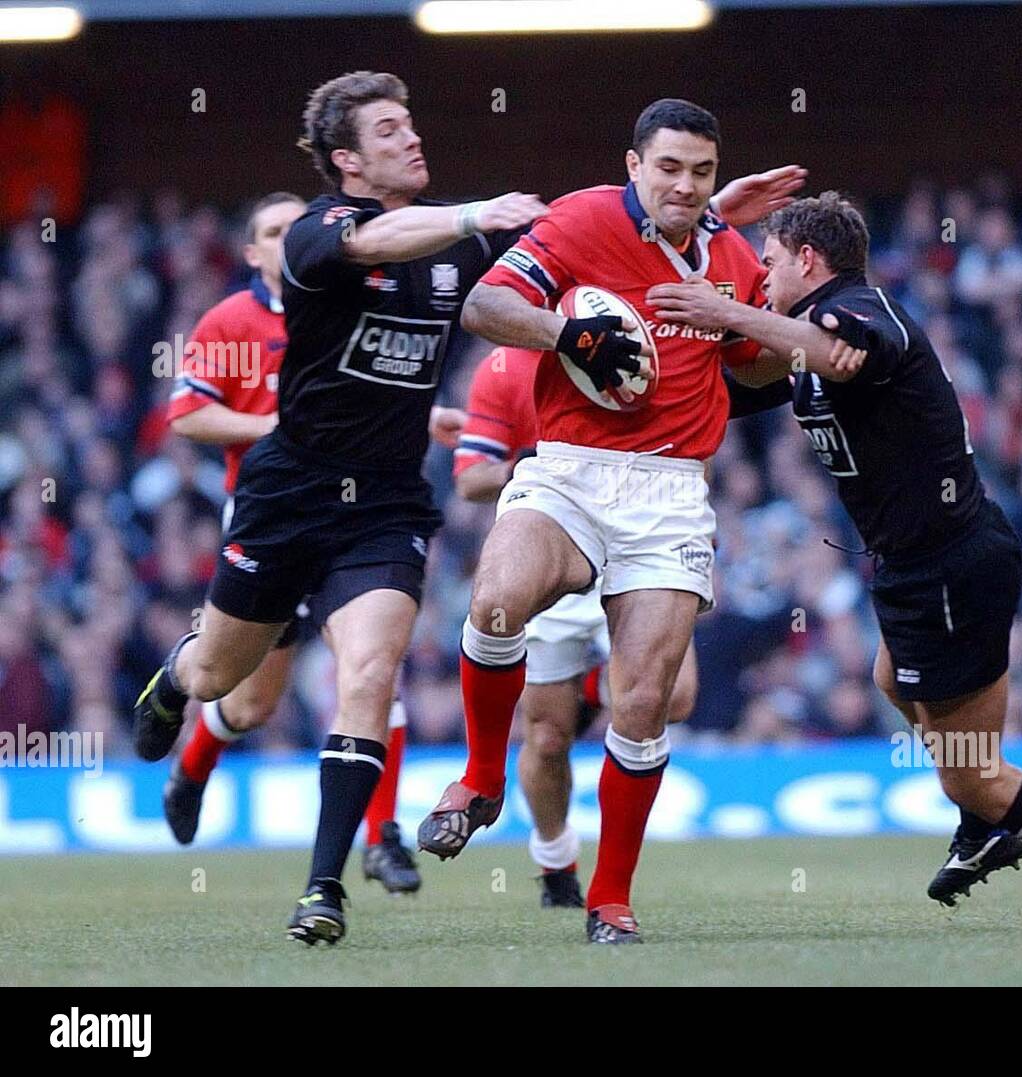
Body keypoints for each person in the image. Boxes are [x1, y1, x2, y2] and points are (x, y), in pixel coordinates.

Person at [647, 191, 1022, 926]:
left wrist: (726, 312)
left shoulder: (859, 311)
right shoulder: (814, 336)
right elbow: (754, 378)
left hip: (947, 567)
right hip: (924, 565)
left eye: (773, 260)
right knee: (893, 678)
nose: (763, 273)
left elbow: (845, 345)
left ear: (808, 260)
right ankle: (985, 821)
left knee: (977, 775)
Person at [132, 71, 551, 945]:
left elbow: (553, 245)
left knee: (368, 676)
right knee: (224, 684)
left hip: (386, 504)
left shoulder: (450, 242)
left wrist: (667, 215)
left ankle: (323, 888)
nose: (412, 138)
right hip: (288, 494)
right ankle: (177, 682)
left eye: (411, 122)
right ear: (347, 161)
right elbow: (383, 240)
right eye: (390, 130)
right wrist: (478, 213)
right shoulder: (319, 233)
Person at [423, 98, 848, 944]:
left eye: (701, 172)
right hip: (571, 472)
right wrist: (571, 337)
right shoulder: (580, 220)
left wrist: (789, 324)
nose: (685, 186)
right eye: (669, 167)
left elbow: (757, 364)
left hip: (670, 489)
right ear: (633, 165)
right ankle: (478, 777)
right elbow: (483, 306)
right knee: (496, 601)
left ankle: (608, 899)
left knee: (647, 698)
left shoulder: (729, 255)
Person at [161, 190, 442, 895]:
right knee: (250, 700)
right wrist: (282, 431)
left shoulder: (358, 295)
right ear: (254, 252)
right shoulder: (231, 319)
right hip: (273, 513)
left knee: (374, 668)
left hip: (364, 512)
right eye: (272, 231)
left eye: (298, 226)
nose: (291, 238)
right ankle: (193, 759)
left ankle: (378, 838)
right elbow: (188, 414)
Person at [454, 345, 698, 907]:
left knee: (674, 698)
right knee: (546, 735)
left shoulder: (642, 340)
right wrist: (532, 465)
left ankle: (591, 692)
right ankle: (555, 858)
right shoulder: (503, 365)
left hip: (640, 539)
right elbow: (469, 478)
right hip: (556, 542)